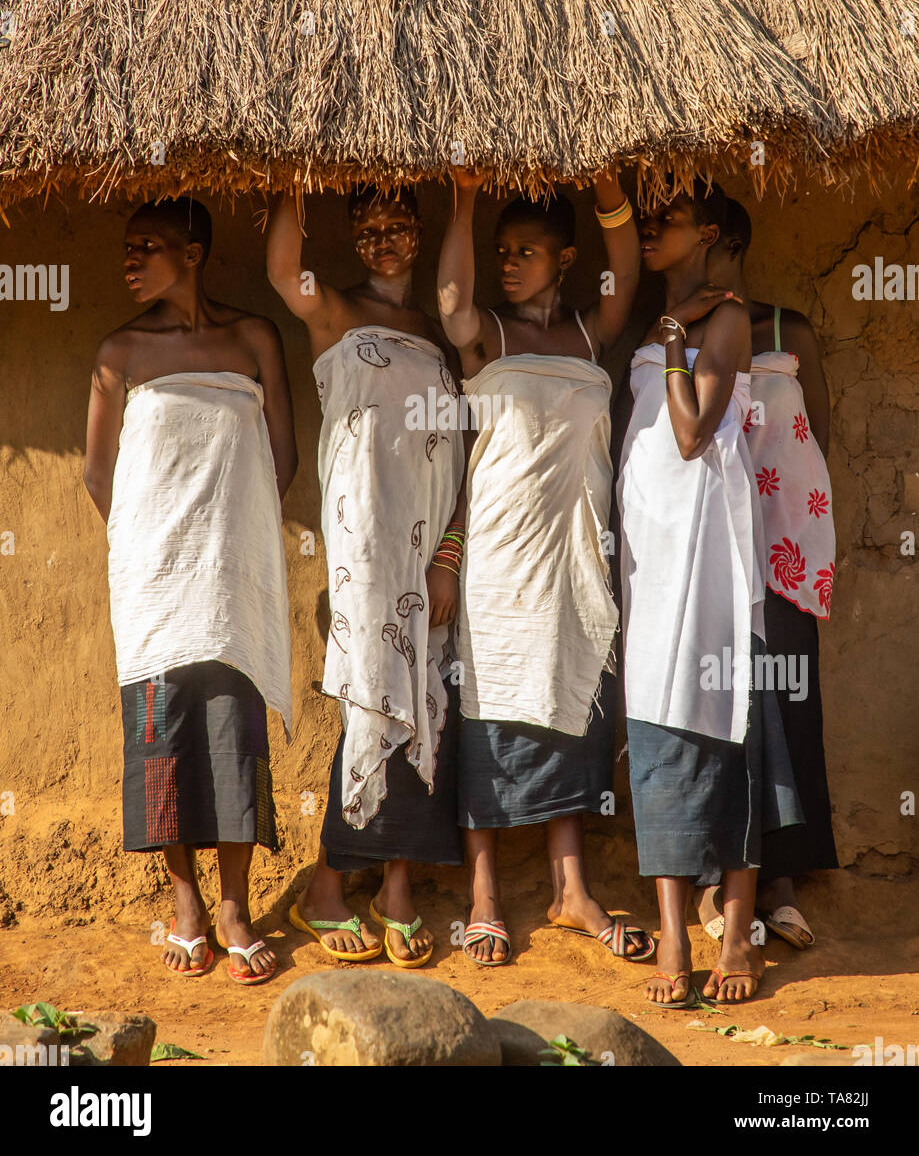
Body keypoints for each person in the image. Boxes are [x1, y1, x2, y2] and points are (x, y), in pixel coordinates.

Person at [437, 165, 651, 967]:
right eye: (503, 248)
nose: (510, 261)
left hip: (573, 559)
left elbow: (626, 271)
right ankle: (484, 892)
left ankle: (571, 889)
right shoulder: (488, 333)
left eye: (529, 250)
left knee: (572, 709)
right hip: (497, 557)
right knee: (488, 711)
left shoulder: (593, 333)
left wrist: (607, 192)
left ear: (566, 260)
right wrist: (461, 201)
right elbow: (452, 311)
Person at [84, 196, 297, 985]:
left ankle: (236, 908)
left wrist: (224, 532)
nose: (131, 259)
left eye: (150, 245)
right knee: (160, 747)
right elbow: (97, 474)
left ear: (196, 251)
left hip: (232, 582)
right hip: (153, 582)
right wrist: (153, 544)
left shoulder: (251, 339)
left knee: (231, 739)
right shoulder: (120, 351)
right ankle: (187, 910)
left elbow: (282, 460)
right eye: (127, 246)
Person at [266, 185, 466, 967]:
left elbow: (459, 461)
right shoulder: (333, 311)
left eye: (398, 227)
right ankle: (323, 890)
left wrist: (448, 552)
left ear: (418, 235)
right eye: (369, 230)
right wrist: (287, 179)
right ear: (352, 239)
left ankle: (395, 890)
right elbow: (284, 268)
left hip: (427, 555)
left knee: (425, 696)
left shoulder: (437, 336)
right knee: (372, 695)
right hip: (363, 542)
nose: (384, 240)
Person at [617, 179, 803, 1006]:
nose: (650, 230)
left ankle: (733, 936)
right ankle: (671, 942)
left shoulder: (722, 318)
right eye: (644, 219)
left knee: (731, 738)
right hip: (653, 565)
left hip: (711, 565)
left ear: (710, 235)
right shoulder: (667, 324)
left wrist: (667, 336)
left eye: (668, 221)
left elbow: (691, 432)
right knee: (657, 740)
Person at [700, 197, 838, 948]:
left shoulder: (788, 332)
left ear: (717, 240)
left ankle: (780, 880)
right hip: (711, 560)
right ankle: (718, 882)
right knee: (719, 712)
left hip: (781, 559)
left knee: (786, 706)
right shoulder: (678, 336)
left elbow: (818, 434)